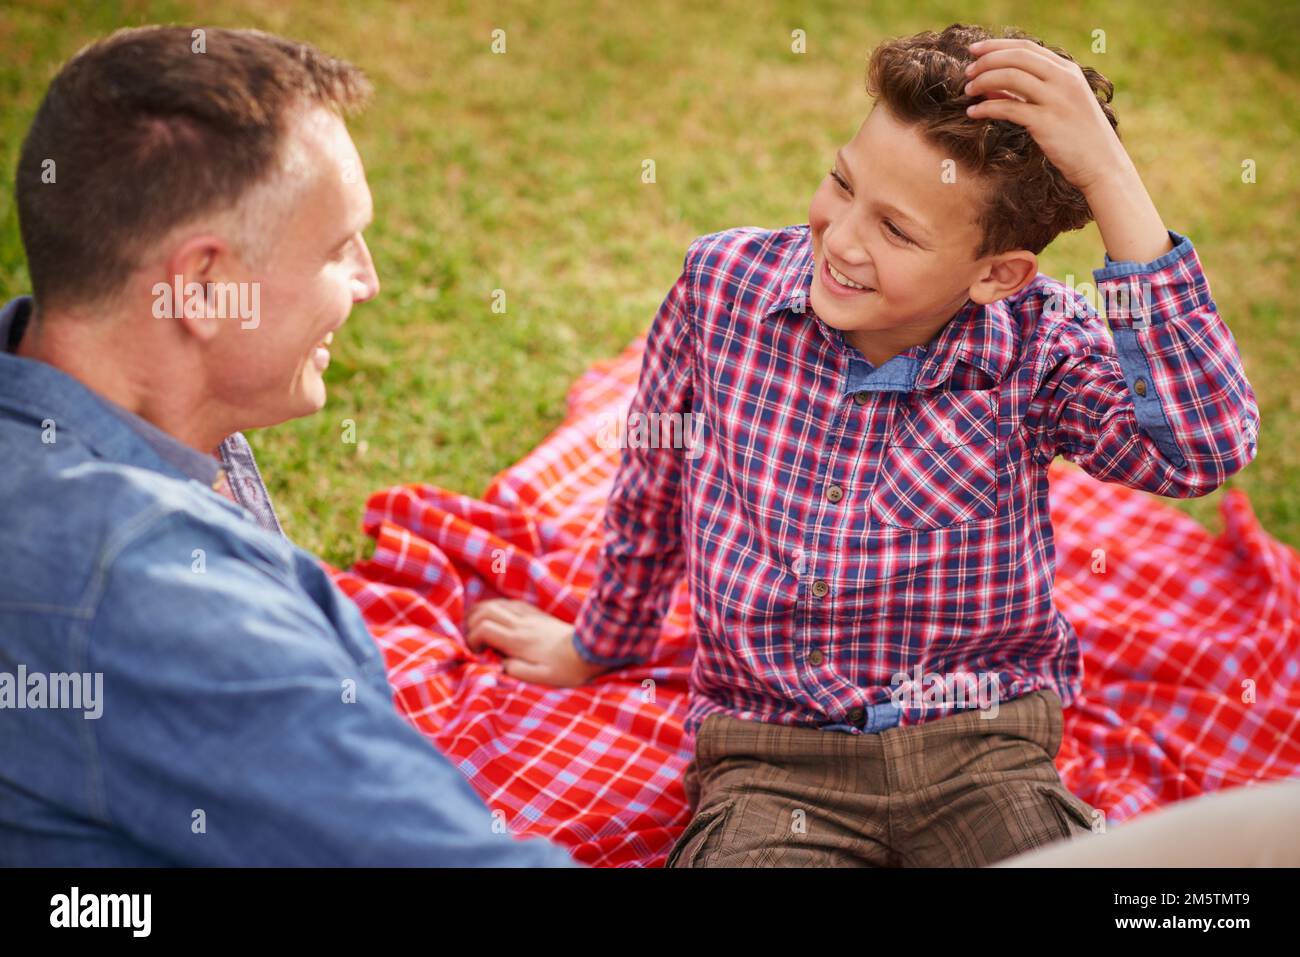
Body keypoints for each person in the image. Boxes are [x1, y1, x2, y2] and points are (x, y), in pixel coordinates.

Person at [465, 23, 1260, 866]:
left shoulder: (1041, 347)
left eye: (897, 230)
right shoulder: (720, 289)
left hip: (984, 752)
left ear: (997, 275)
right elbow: (653, 481)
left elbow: (1199, 446)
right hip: (771, 760)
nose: (841, 238)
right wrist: (600, 642)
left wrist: (1108, 176)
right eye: (842, 184)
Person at [0, 25, 573, 867]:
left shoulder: (111, 395)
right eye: (340, 247)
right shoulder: (155, 598)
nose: (369, 281)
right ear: (202, 288)